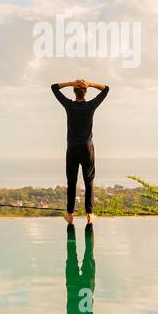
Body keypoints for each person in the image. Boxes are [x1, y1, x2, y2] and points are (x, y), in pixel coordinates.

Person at [51, 78, 109, 224]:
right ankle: (89, 215)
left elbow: (54, 87)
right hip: (87, 148)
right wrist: (90, 83)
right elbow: (106, 89)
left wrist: (71, 83)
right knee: (89, 181)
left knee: (71, 181)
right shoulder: (90, 106)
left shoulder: (69, 105)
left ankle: (70, 215)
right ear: (85, 92)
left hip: (72, 148)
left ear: (75, 92)